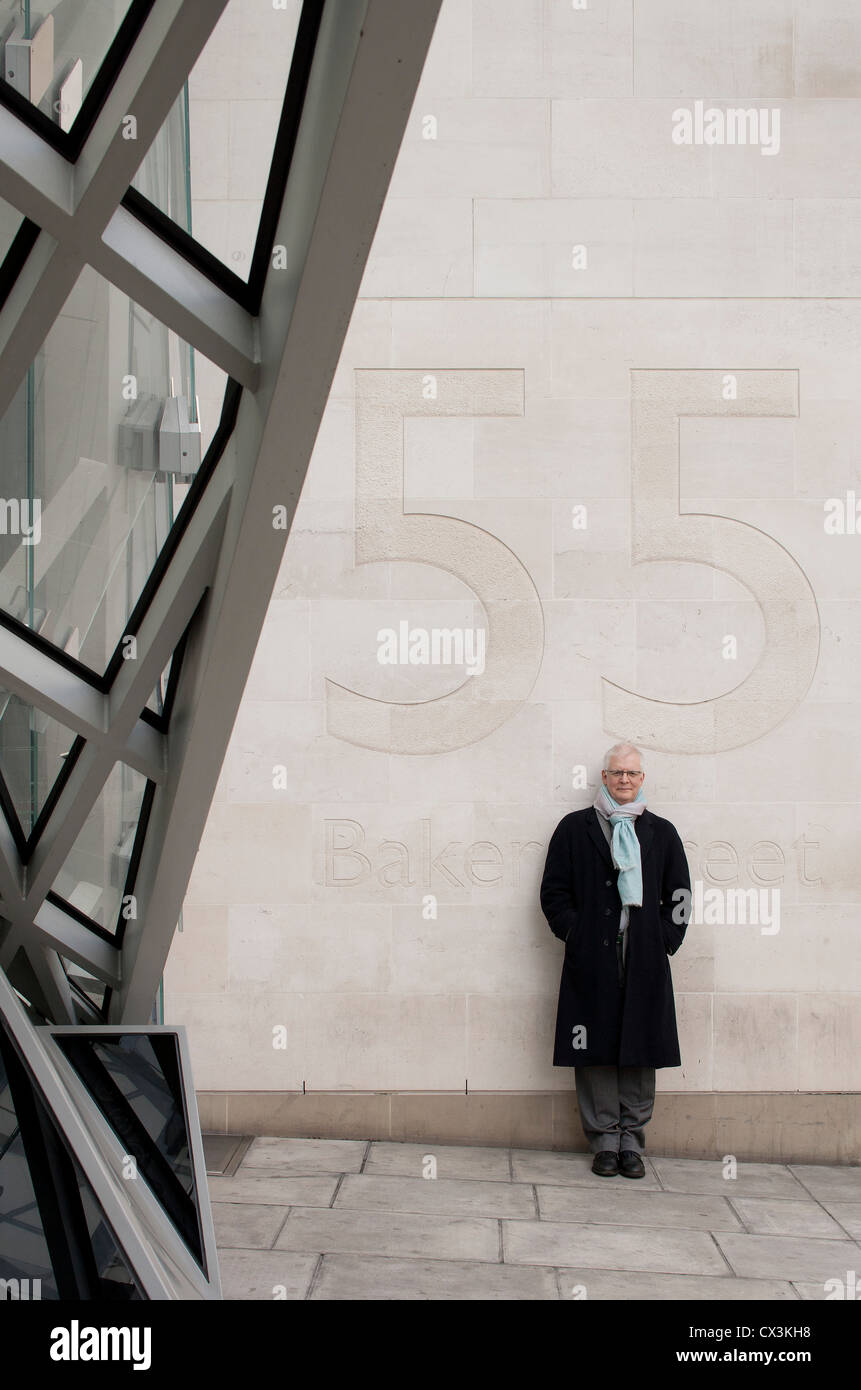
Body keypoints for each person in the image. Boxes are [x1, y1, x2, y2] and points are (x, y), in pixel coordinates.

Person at [539, 743, 691, 1177]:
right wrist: (576, 932)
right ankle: (604, 1141)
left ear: (642, 779)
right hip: (592, 958)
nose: (624, 779)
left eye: (632, 773)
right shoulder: (574, 829)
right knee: (595, 1049)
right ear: (604, 778)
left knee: (641, 1050)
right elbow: (554, 893)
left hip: (644, 958)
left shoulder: (661, 832)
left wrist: (664, 938)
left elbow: (679, 895)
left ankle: (632, 1143)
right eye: (616, 772)